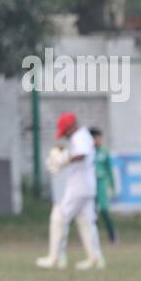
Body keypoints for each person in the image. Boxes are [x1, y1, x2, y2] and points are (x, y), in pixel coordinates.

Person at [36, 112, 106, 270]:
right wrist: (66, 156)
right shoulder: (84, 136)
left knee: (59, 216)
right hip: (88, 186)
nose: (65, 136)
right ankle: (95, 258)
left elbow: (81, 154)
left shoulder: (79, 136)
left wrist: (63, 160)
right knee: (86, 222)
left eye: (65, 131)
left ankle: (55, 257)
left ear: (70, 127)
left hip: (78, 186)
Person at [90, 127, 117, 245]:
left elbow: (109, 170)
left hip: (101, 183)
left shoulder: (104, 152)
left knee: (104, 210)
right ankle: (93, 239)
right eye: (96, 138)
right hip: (89, 184)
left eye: (99, 138)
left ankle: (113, 237)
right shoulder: (87, 152)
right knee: (91, 212)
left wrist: (112, 186)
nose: (98, 140)